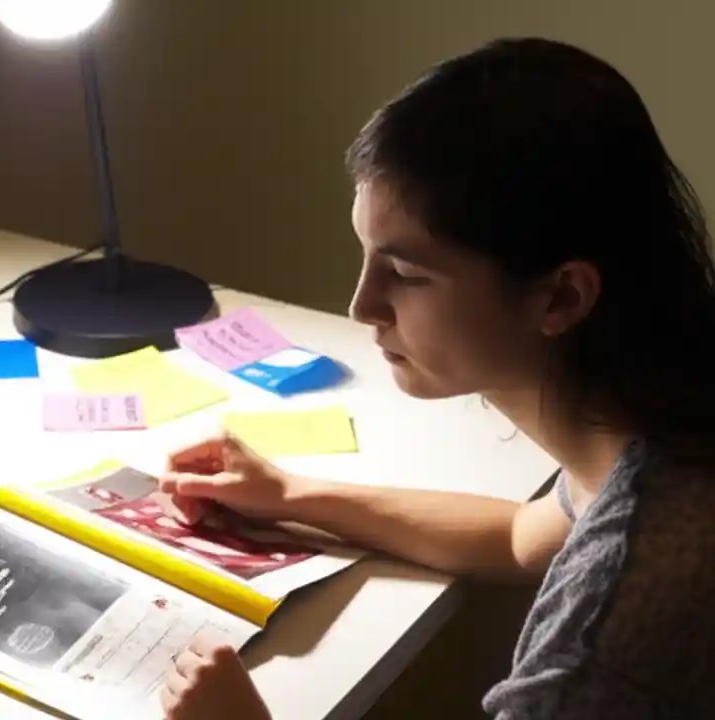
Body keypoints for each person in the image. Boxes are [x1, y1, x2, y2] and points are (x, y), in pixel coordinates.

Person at [158, 37, 715, 720]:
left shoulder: (600, 636)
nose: (362, 305)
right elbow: (519, 536)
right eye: (367, 256)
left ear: (561, 298)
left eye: (408, 274)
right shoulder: (659, 420)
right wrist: (293, 493)